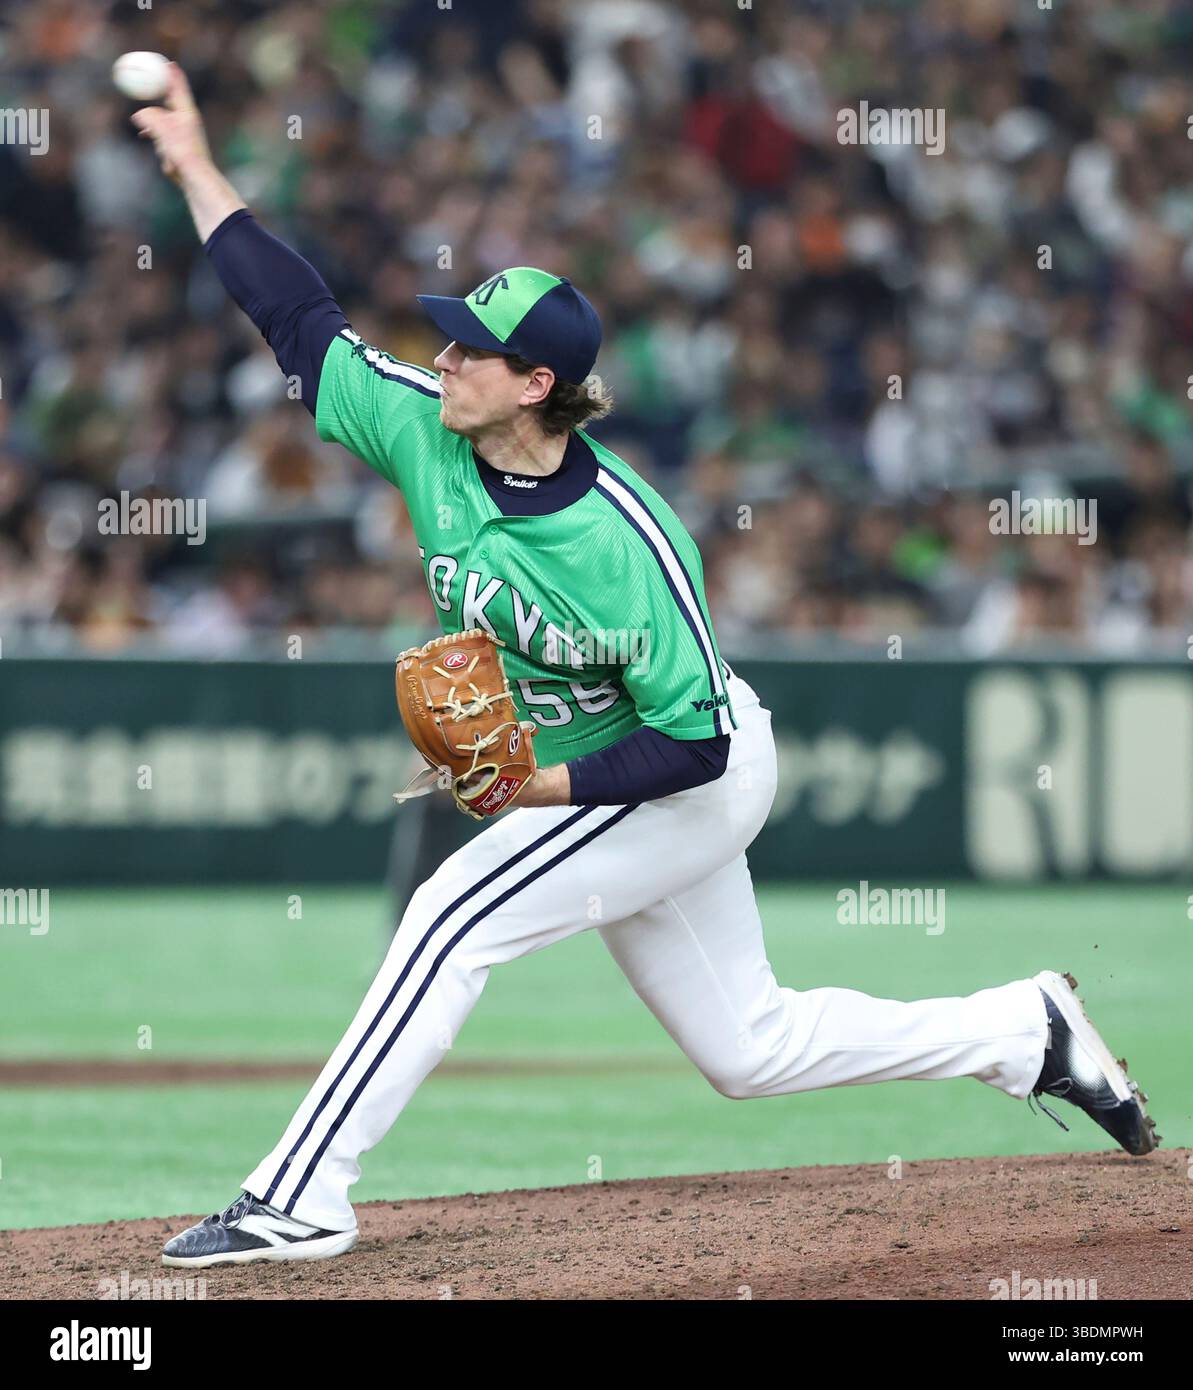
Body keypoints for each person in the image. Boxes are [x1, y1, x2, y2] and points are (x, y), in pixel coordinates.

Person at [131, 67, 1156, 1269]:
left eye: (472, 347)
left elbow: (692, 744)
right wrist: (198, 166)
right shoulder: (422, 422)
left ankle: (300, 1193)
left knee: (446, 914)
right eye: (450, 334)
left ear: (534, 386)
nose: (444, 354)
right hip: (615, 772)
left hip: (685, 775)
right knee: (749, 1049)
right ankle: (1020, 1031)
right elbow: (295, 317)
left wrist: (527, 789)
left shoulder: (626, 542)